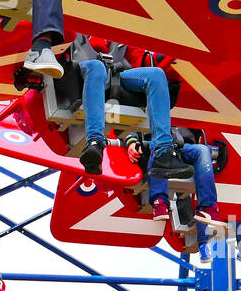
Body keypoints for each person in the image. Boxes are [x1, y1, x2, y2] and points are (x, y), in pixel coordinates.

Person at [75, 36, 190, 185]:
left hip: (114, 74)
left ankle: (163, 153)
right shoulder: (81, 22)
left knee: (156, 75)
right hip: (83, 68)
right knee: (97, 67)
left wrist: (168, 56)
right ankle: (95, 143)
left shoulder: (120, 32)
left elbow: (139, 59)